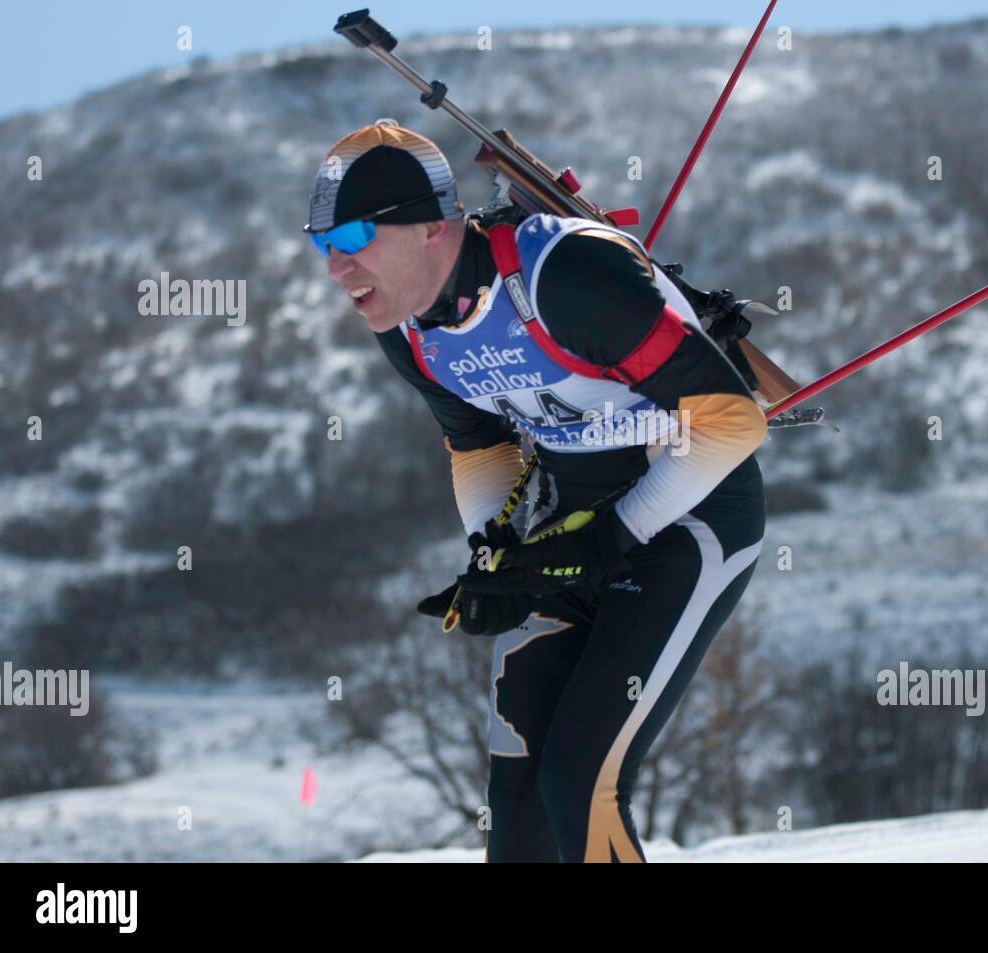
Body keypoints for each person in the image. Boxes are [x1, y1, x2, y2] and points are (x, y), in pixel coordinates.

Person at [306, 119, 767, 862]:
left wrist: (614, 533)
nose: (335, 266)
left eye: (354, 234)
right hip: (570, 526)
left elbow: (733, 421)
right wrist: (494, 549)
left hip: (690, 515)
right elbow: (478, 444)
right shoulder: (409, 328)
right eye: (320, 243)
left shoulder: (566, 275)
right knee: (517, 801)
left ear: (430, 227)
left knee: (580, 781)